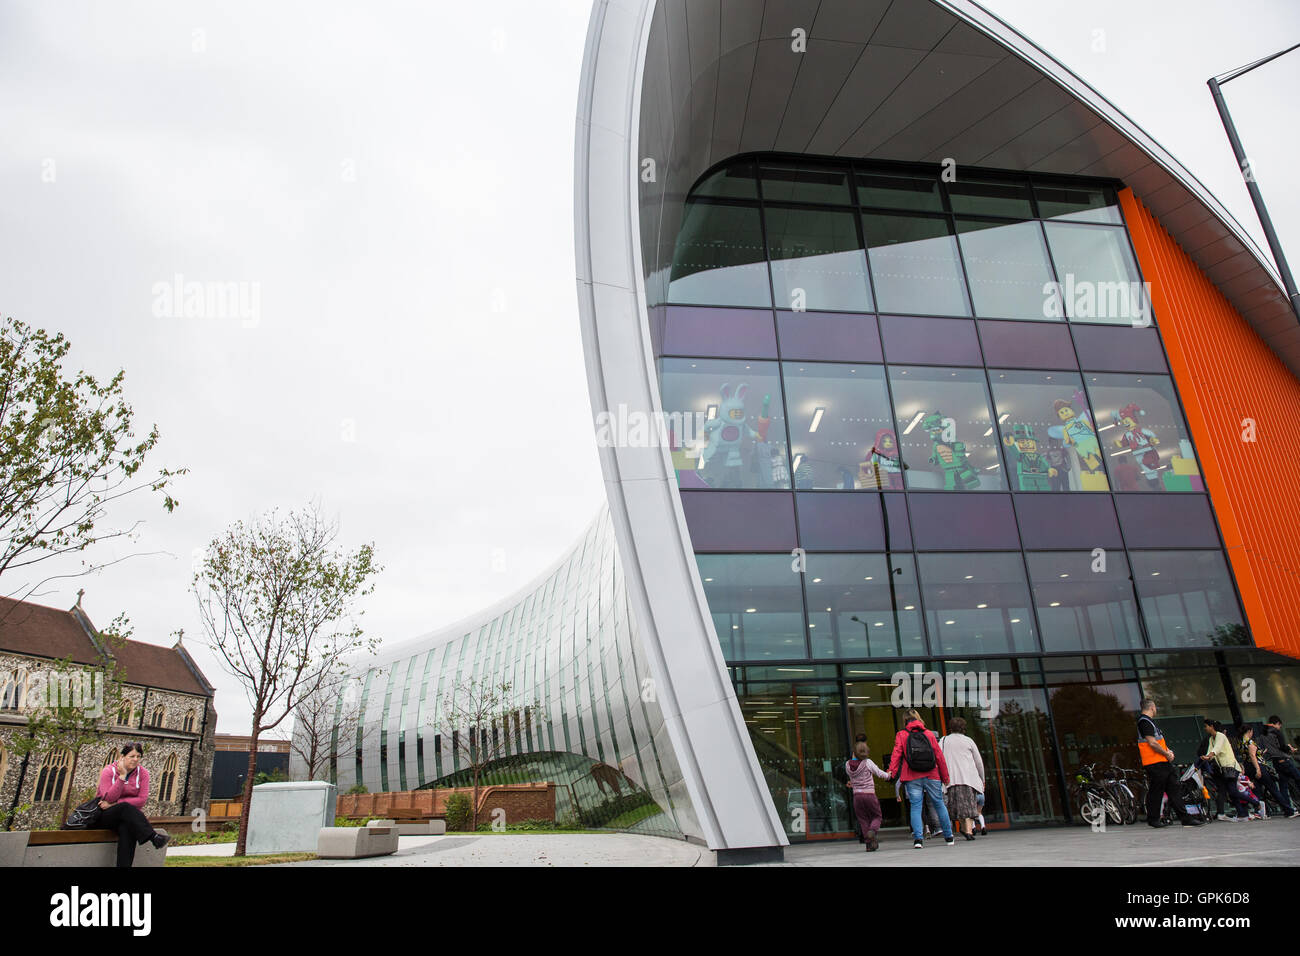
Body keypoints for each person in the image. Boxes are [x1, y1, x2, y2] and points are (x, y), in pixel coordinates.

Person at [888, 709, 955, 848]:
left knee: (916, 807)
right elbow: (939, 757)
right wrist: (945, 776)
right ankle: (949, 836)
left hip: (912, 776)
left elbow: (896, 755)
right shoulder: (929, 734)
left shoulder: (901, 735)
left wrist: (891, 773)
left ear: (905, 720)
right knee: (939, 804)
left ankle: (918, 839)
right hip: (932, 774)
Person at [96, 743, 170, 868]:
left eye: (138, 756)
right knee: (125, 808)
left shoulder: (143, 774)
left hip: (125, 817)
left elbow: (141, 800)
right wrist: (122, 776)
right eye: (132, 756)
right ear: (122, 757)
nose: (135, 759)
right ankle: (153, 837)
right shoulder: (108, 771)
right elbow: (107, 798)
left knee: (128, 827)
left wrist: (115, 803)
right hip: (104, 815)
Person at [1136, 699, 1204, 828]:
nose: (1156, 709)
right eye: (1155, 707)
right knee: (1157, 791)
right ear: (1151, 707)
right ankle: (1153, 819)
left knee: (1174, 789)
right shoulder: (1144, 722)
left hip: (1162, 762)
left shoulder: (1149, 722)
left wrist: (1168, 751)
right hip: (1155, 762)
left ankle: (1185, 818)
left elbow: (1158, 741)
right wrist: (1166, 754)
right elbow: (1152, 743)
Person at [1238, 724, 1300, 818]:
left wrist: (1261, 753)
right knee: (1273, 788)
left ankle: (1259, 812)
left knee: (1257, 790)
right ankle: (1288, 811)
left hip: (1248, 767)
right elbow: (1252, 755)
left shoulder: (1240, 742)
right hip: (1257, 766)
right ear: (1250, 731)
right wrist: (1258, 769)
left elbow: (1249, 755)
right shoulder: (1249, 741)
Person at [939, 717, 985, 841]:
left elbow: (938, 758)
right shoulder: (968, 741)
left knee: (956, 805)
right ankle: (968, 830)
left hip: (951, 779)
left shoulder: (944, 740)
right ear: (963, 727)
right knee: (970, 805)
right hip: (969, 778)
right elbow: (978, 762)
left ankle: (965, 829)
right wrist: (982, 778)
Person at [1197, 719, 1251, 821]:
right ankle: (1242, 814)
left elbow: (1216, 749)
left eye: (1206, 726)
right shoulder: (1211, 739)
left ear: (1211, 726)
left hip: (1230, 767)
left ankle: (1255, 803)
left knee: (1233, 791)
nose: (1205, 728)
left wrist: (1209, 755)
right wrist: (1207, 757)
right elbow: (1210, 752)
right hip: (1224, 769)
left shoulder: (1220, 736)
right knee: (1232, 792)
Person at [845, 741, 890, 851]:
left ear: (854, 753)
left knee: (863, 819)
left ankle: (869, 845)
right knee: (877, 816)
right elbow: (879, 773)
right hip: (869, 794)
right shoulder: (867, 762)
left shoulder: (847, 765)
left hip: (857, 796)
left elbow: (853, 779)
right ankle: (872, 831)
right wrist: (888, 775)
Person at [1260, 716, 1300, 804]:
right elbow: (1282, 747)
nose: (1279, 728)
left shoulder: (1263, 734)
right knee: (1298, 778)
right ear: (1277, 723)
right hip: (1284, 760)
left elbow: (1266, 748)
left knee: (1283, 786)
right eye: (1279, 726)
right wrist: (1289, 748)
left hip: (1275, 762)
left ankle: (1289, 810)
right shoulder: (1276, 732)